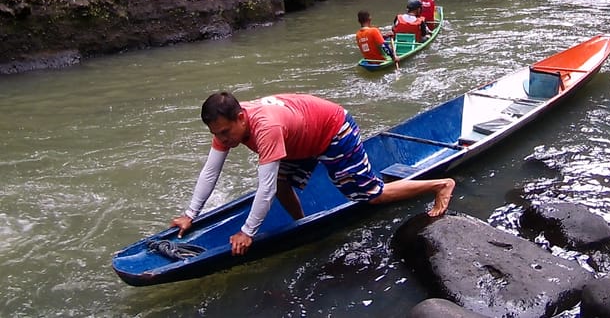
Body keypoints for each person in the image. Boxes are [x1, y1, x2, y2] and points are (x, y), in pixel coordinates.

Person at [170, 92, 456, 256]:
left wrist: (247, 232)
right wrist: (190, 214)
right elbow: (211, 171)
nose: (223, 139)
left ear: (241, 117)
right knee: (282, 184)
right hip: (299, 140)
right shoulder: (227, 126)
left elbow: (264, 190)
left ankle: (440, 185)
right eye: (217, 134)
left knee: (369, 195)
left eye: (225, 132)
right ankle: (304, 225)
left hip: (332, 130)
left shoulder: (265, 128)